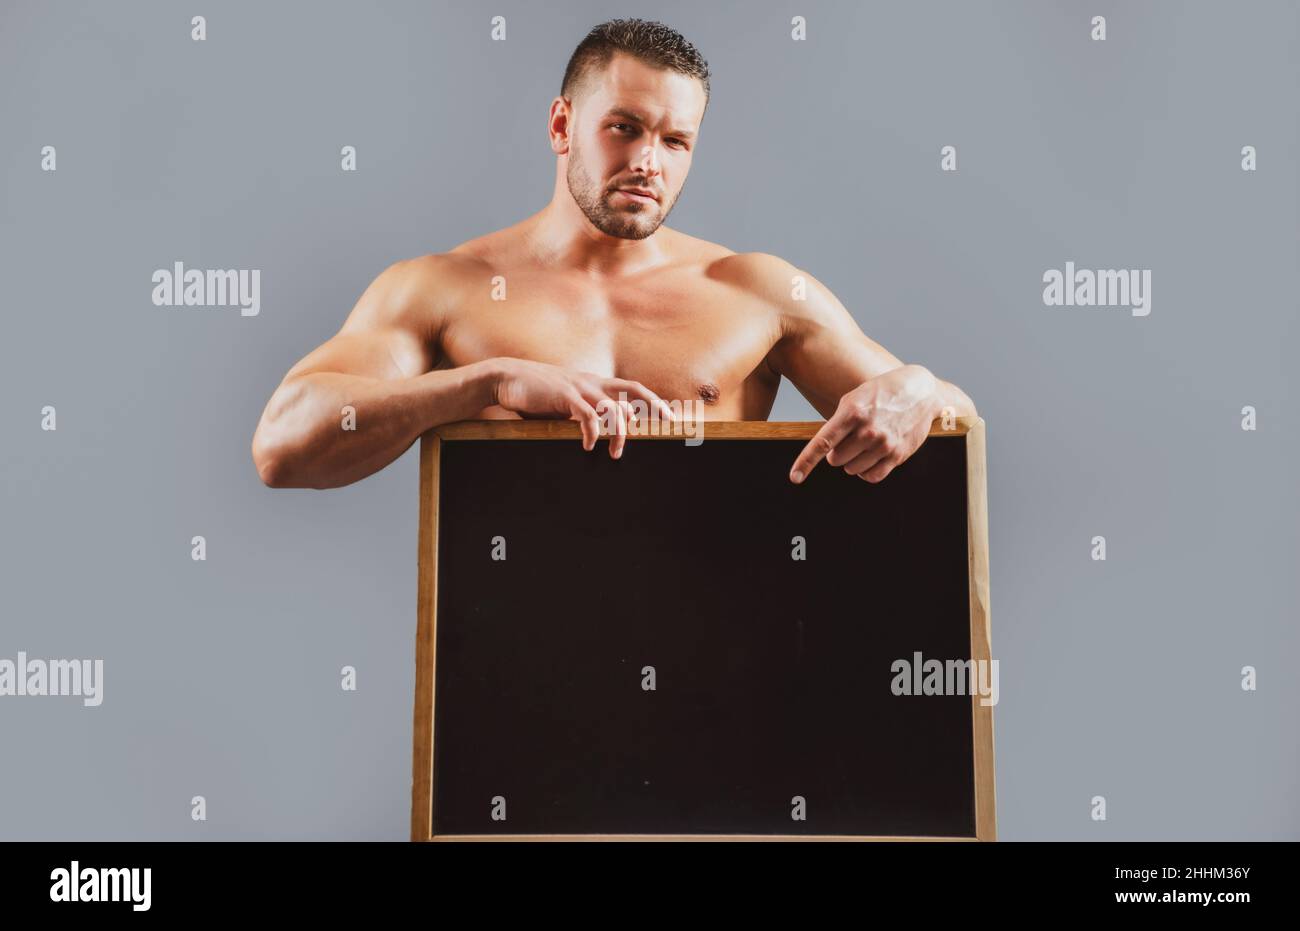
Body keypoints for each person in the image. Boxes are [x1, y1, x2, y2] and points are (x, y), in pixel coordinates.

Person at [252, 18, 977, 490]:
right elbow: (284, 441)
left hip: (728, 672)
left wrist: (917, 387)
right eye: (624, 128)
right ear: (563, 124)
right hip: (508, 678)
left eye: (674, 141)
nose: (648, 162)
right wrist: (489, 382)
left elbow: (953, 420)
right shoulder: (445, 287)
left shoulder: (755, 291)